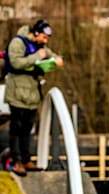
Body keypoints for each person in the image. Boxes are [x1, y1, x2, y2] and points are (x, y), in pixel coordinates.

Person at [4, 19, 61, 177]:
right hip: (17, 93)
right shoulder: (18, 43)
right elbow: (16, 62)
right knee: (16, 128)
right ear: (36, 33)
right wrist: (36, 57)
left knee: (27, 129)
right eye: (44, 37)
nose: (45, 41)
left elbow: (51, 55)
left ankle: (26, 159)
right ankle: (16, 161)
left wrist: (56, 60)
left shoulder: (39, 46)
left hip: (32, 94)